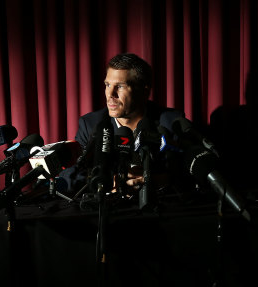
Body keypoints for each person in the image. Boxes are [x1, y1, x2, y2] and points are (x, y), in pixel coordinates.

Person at [59, 53, 186, 197]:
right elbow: (70, 175)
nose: (110, 94)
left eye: (120, 86)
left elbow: (191, 172)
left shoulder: (171, 122)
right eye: (107, 85)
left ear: (144, 90)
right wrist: (105, 181)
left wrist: (159, 180)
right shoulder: (91, 124)